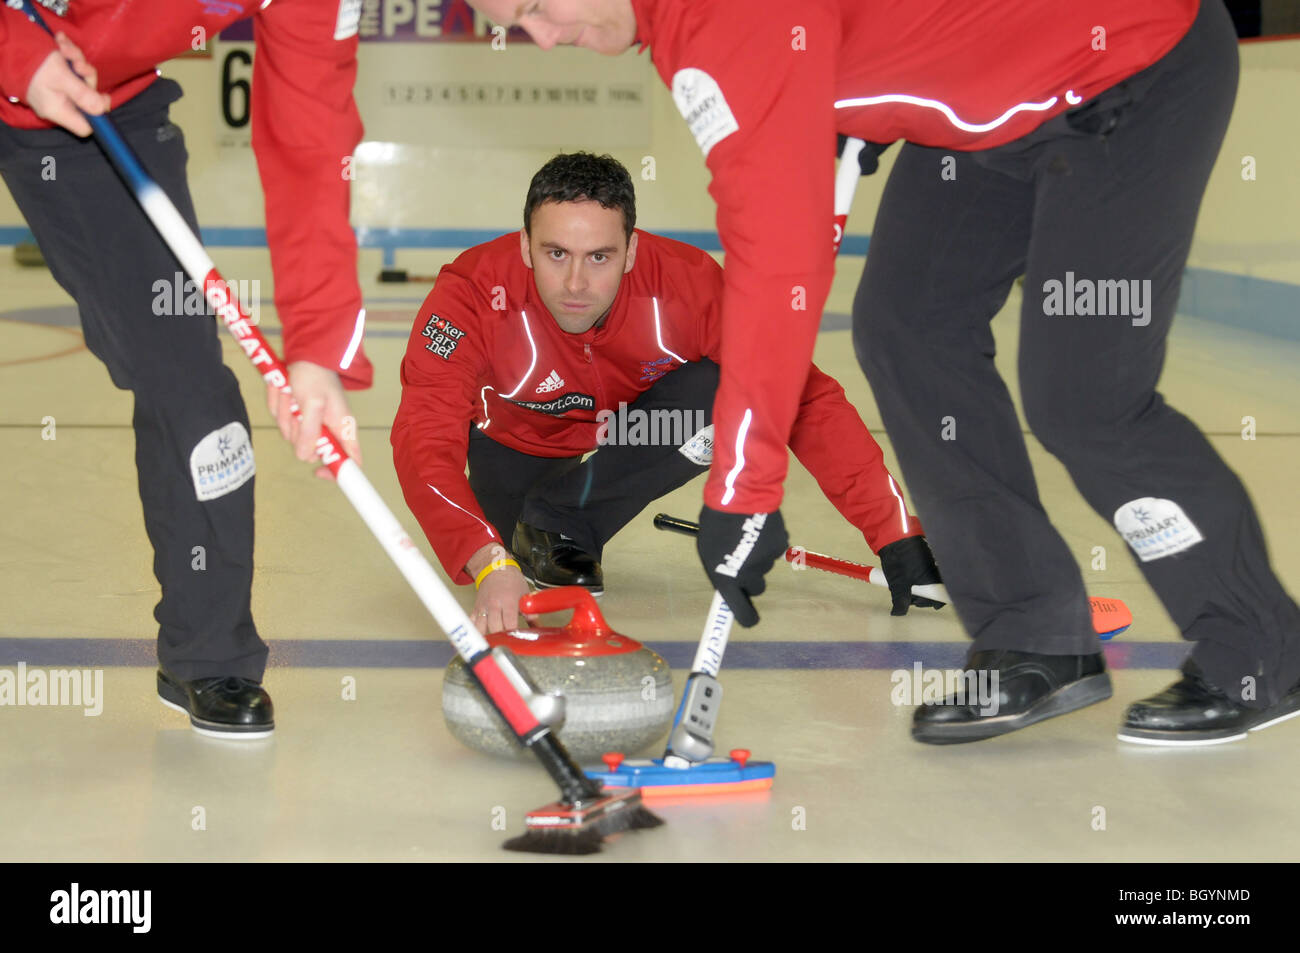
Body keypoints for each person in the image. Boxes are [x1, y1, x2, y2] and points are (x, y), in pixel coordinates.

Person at [465, 0, 1300, 745]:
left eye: (539, 6)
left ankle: (1263, 650)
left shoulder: (725, 21)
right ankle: (1035, 633)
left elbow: (778, 270)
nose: (545, 37)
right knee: (908, 327)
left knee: (1084, 397)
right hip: (989, 110)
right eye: (516, 26)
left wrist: (744, 490)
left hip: (1130, 66)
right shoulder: (685, 24)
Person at [0, 0, 372, 738]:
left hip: (97, 110)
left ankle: (209, 653)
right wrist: (14, 49)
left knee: (195, 392)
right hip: (27, 58)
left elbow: (310, 144)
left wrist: (316, 352)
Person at [391, 152, 943, 634]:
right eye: (556, 253)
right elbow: (423, 440)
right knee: (513, 554)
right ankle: (538, 527)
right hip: (510, 448)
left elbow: (802, 394)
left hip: (626, 434)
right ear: (525, 247)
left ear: (631, 251)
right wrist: (487, 560)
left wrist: (895, 533)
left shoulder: (687, 285)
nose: (577, 283)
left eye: (600, 257)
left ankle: (568, 519)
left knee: (734, 383)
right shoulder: (467, 298)